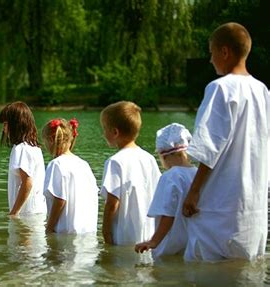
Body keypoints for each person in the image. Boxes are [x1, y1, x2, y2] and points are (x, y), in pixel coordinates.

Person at [182, 22, 269, 261]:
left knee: (207, 270)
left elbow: (209, 147)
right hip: (254, 206)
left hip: (220, 203)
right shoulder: (262, 91)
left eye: (211, 53)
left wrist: (194, 192)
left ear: (224, 52)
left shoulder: (220, 88)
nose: (210, 60)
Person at [99, 101, 161, 245]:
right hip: (148, 233)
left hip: (124, 236)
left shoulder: (115, 162)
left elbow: (112, 204)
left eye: (104, 129)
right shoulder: (149, 158)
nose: (103, 133)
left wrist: (106, 234)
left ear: (115, 132)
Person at [135, 123, 197, 258]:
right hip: (192, 247)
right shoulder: (197, 174)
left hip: (169, 248)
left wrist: (154, 241)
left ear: (164, 156)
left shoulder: (170, 177)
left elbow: (167, 214)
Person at [42, 118, 98, 234]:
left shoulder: (56, 164)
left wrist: (49, 228)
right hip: (87, 231)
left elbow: (60, 200)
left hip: (65, 232)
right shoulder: (84, 164)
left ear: (51, 140)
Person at [0, 101, 47, 217]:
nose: (4, 129)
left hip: (27, 215)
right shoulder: (33, 147)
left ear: (16, 124)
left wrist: (14, 213)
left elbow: (27, 183)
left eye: (5, 124)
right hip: (36, 212)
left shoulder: (21, 149)